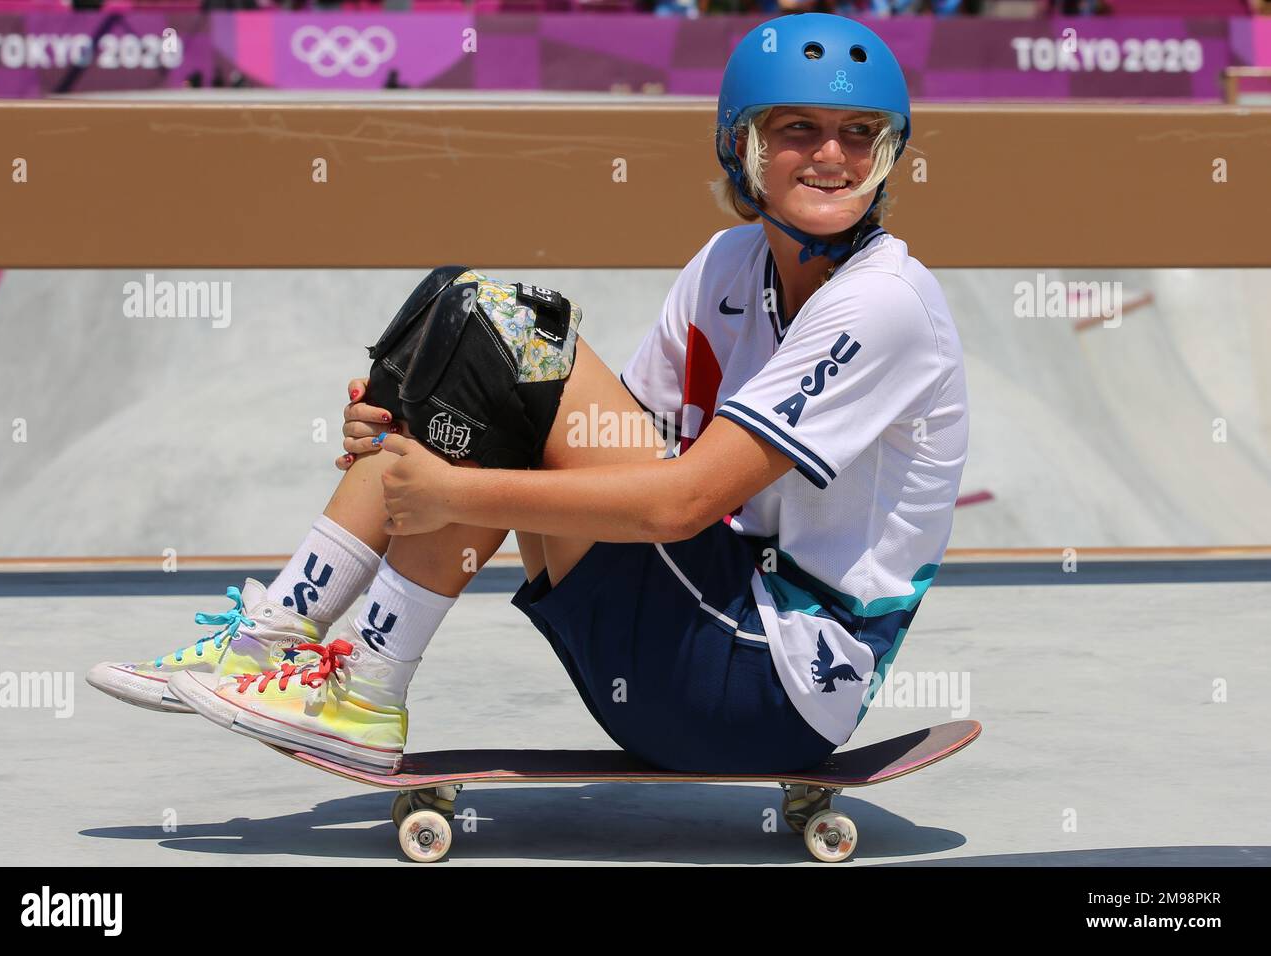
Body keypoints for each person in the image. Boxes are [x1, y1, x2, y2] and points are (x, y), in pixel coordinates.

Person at [87, 12, 967, 777]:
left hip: (764, 689)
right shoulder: (728, 265)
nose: (831, 155)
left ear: (890, 154)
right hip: (688, 635)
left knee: (504, 334)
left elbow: (681, 501)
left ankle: (365, 685)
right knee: (461, 327)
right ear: (742, 145)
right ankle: (270, 638)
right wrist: (410, 425)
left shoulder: (884, 302)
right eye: (799, 128)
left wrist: (449, 489)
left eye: (861, 133)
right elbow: (590, 429)